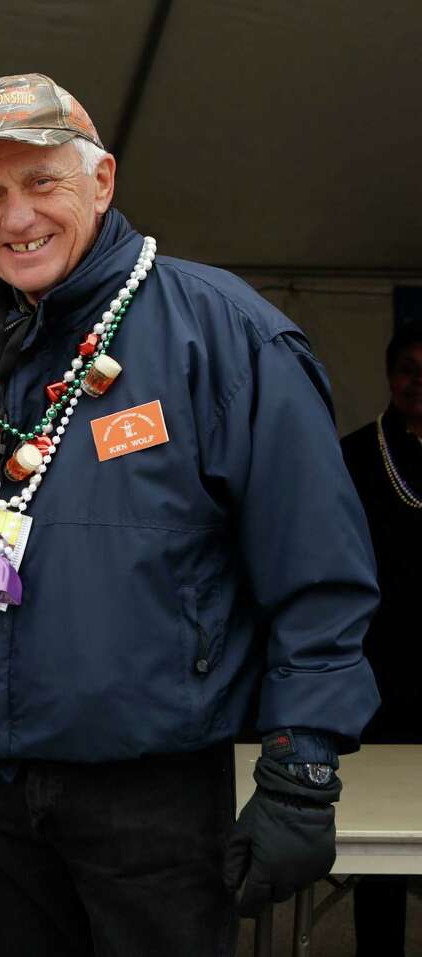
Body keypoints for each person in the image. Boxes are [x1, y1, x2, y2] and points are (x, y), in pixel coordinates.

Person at [0, 73, 380, 956]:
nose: (16, 218)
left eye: (42, 182)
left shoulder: (227, 335)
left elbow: (318, 570)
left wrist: (304, 767)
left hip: (149, 800)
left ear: (103, 180)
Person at [341, 319, 422, 957]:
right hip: (376, 666)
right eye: (408, 369)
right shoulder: (354, 457)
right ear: (390, 375)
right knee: (376, 846)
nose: (419, 383)